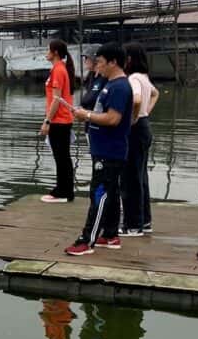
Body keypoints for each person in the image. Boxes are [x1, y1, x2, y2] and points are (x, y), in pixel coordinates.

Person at [66, 43, 133, 256]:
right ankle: (111, 234)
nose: (98, 66)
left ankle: (87, 240)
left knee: (99, 193)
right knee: (111, 193)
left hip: (110, 150)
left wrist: (85, 115)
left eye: (102, 63)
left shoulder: (120, 87)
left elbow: (113, 118)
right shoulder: (109, 84)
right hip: (101, 147)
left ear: (113, 62)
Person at [121, 44, 160, 236]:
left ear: (129, 59)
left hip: (135, 129)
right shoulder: (144, 78)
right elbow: (155, 94)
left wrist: (133, 117)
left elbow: (136, 100)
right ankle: (144, 221)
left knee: (130, 179)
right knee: (141, 177)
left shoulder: (133, 78)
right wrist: (145, 113)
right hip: (145, 127)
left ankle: (132, 224)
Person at [40, 40, 77, 203]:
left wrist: (47, 121)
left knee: (61, 157)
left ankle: (63, 192)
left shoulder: (58, 70)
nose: (46, 52)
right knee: (62, 157)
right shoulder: (59, 69)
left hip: (59, 120)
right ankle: (63, 189)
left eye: (48, 50)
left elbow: (56, 99)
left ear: (55, 52)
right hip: (60, 119)